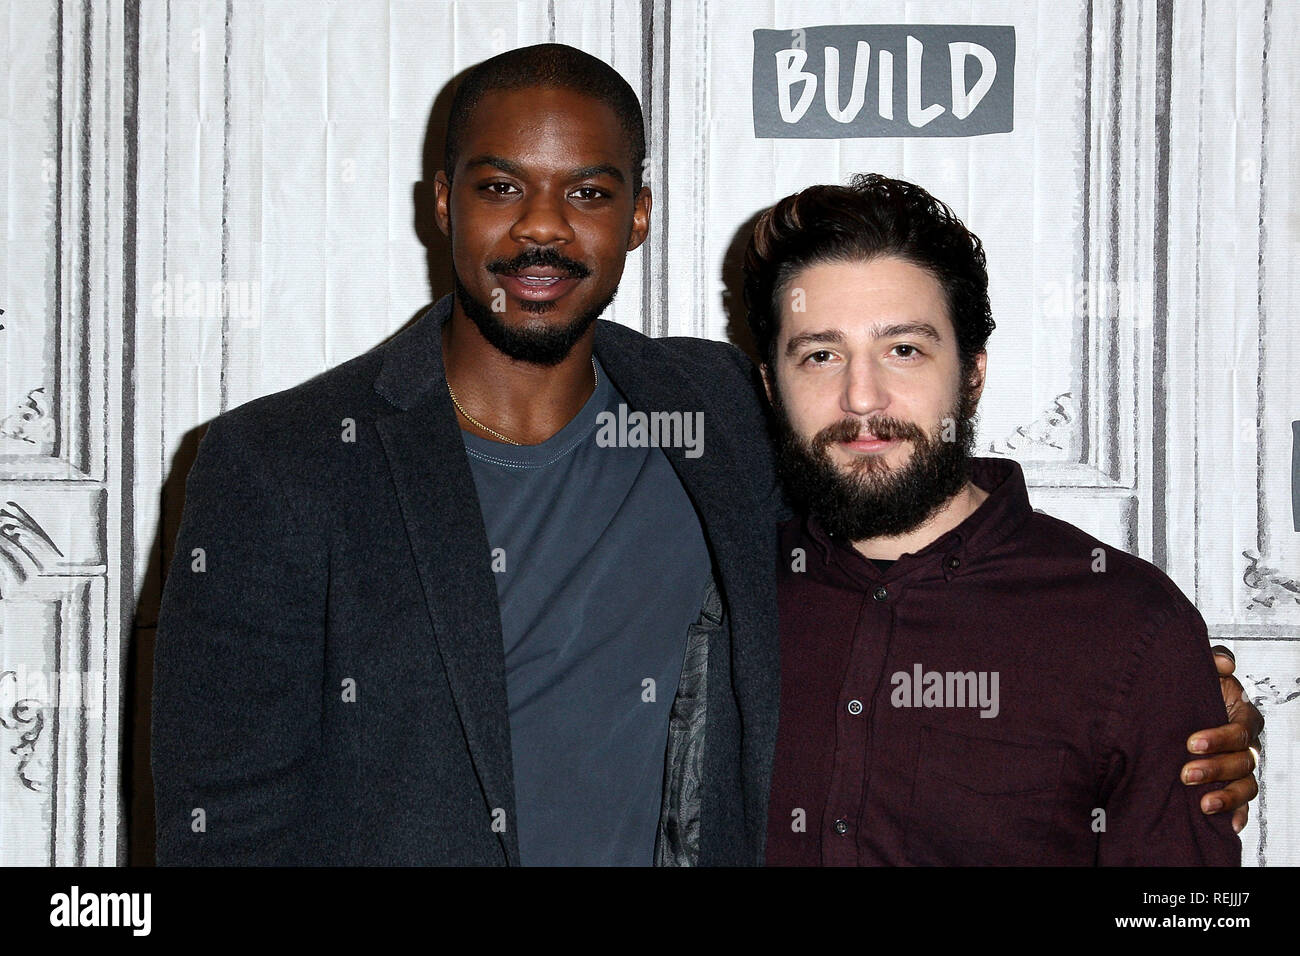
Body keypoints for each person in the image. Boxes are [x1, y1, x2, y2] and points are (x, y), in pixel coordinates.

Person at [151, 43, 1260, 866]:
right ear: (439, 203)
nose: (542, 230)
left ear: (636, 216)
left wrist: (1164, 692)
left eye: (587, 192)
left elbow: (909, 508)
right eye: (500, 187)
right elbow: (223, 824)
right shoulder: (277, 465)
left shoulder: (715, 414)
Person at [747, 173, 1249, 865]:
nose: (861, 397)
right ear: (773, 385)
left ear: (972, 373)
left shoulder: (1130, 624)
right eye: (821, 355)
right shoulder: (717, 598)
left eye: (904, 349)